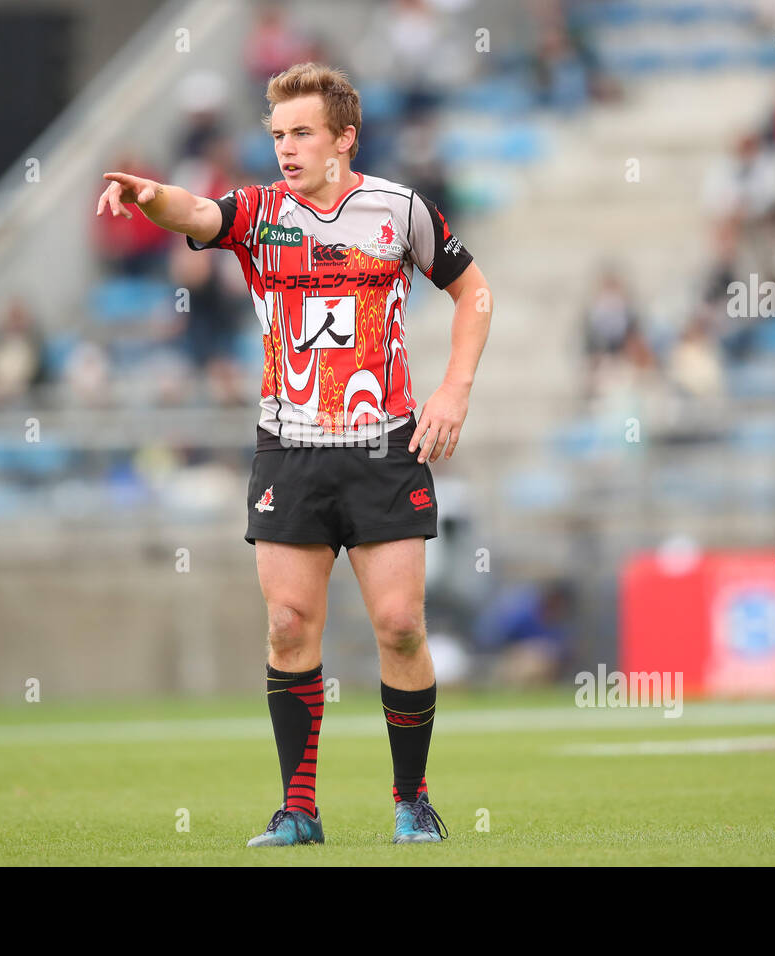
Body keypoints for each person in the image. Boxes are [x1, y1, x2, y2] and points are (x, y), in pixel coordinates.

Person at [96, 62, 492, 847]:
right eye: (277, 134)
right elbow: (198, 213)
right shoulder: (260, 213)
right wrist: (150, 196)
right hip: (291, 449)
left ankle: (412, 801)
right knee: (286, 624)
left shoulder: (397, 210)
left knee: (401, 625)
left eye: (302, 132)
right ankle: (299, 810)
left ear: (345, 136)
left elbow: (473, 291)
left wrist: (453, 391)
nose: (286, 147)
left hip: (384, 445)